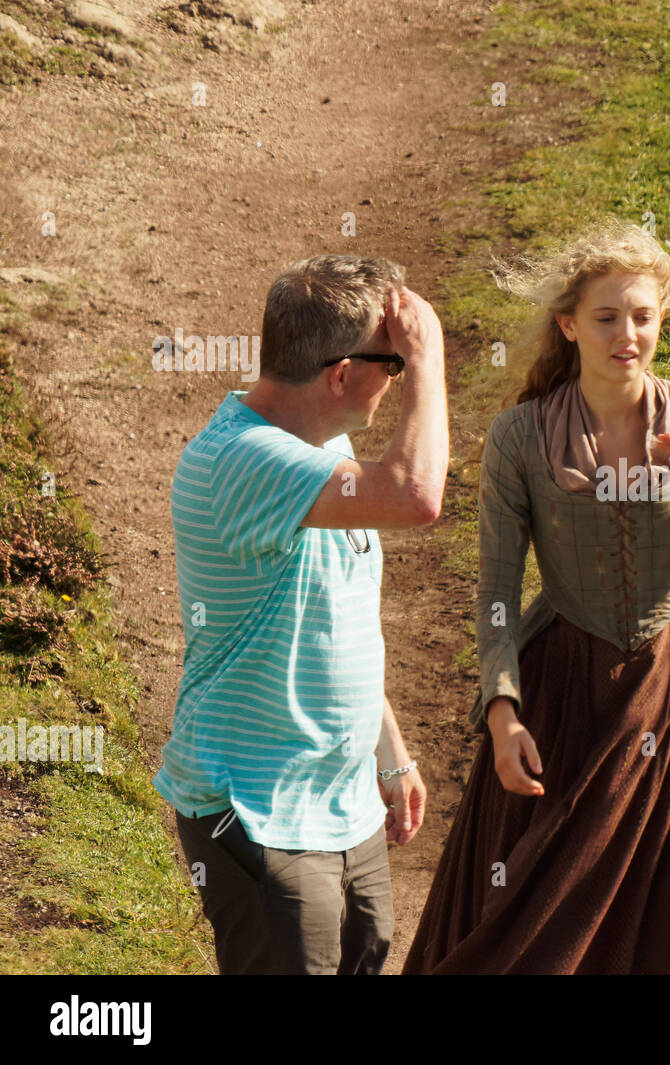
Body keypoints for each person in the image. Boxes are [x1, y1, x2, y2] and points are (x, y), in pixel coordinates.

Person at [403, 220, 670, 974]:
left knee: (655, 933)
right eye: (606, 317)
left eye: (642, 315)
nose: (626, 334)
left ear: (662, 316)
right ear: (569, 324)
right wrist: (502, 714)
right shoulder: (521, 437)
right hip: (561, 696)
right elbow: (499, 593)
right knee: (529, 930)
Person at [154, 254, 449, 974]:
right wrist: (432, 353)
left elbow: (332, 616)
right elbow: (416, 495)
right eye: (395, 365)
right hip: (258, 809)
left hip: (341, 803)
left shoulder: (322, 445)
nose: (399, 377)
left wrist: (389, 748)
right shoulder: (245, 462)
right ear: (341, 373)